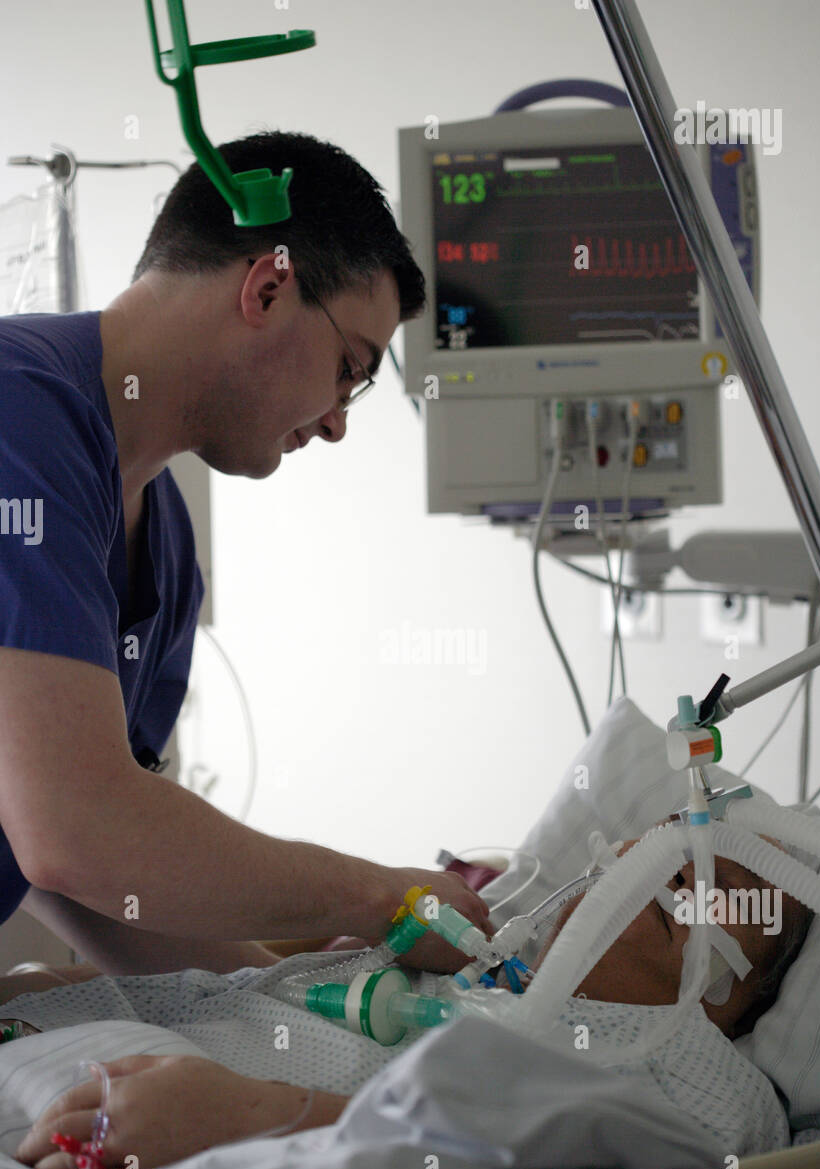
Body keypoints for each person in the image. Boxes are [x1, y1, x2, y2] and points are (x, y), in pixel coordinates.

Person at [0, 131, 489, 977]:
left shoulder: (167, 547)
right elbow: (75, 831)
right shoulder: (20, 415)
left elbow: (102, 881)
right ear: (268, 285)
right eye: (350, 368)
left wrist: (284, 995)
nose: (339, 420)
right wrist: (383, 899)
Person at [3, 841, 812, 1169]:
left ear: (731, 997)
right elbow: (234, 994)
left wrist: (255, 1114)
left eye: (720, 885)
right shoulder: (477, 964)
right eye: (664, 838)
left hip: (136, 1118)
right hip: (66, 1047)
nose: (668, 860)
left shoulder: (699, 1072)